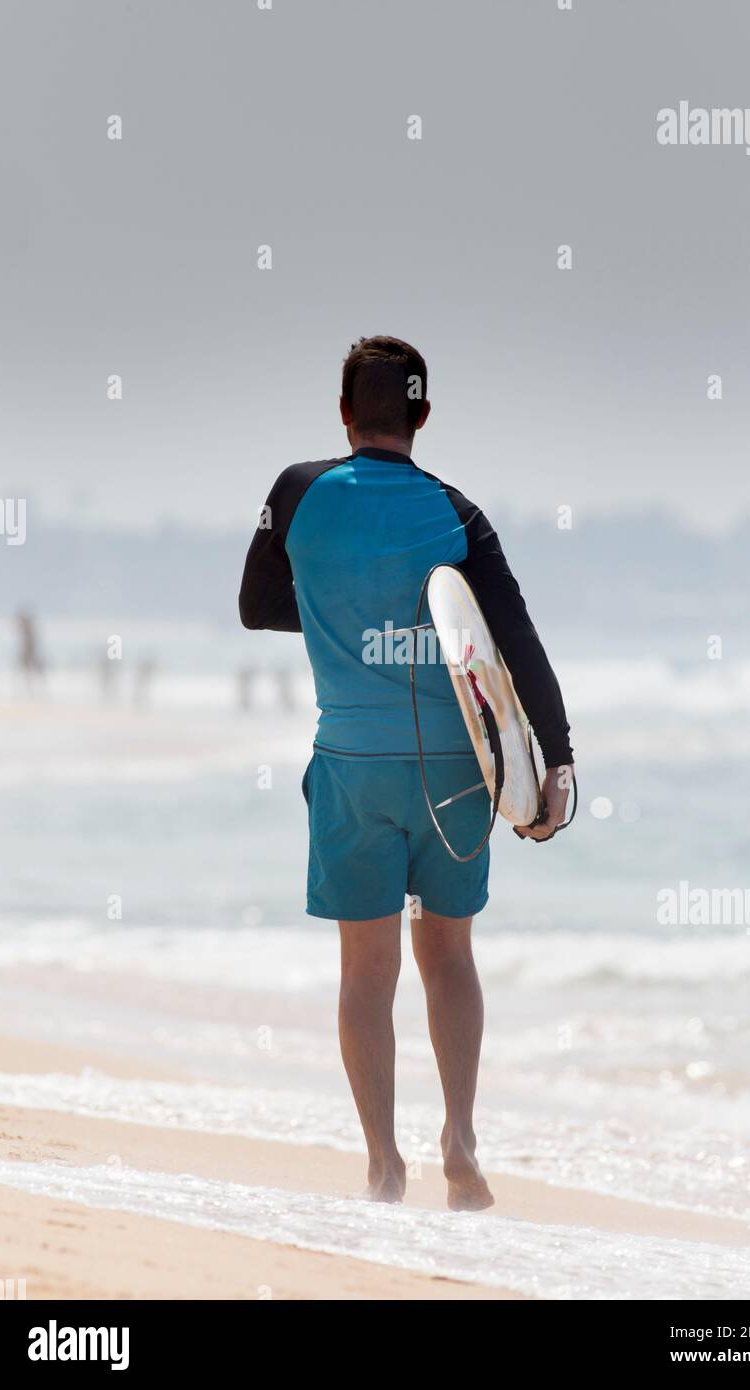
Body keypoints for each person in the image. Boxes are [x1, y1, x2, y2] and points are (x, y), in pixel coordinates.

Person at [239, 336, 574, 1209]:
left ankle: (383, 1163)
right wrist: (558, 761)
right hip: (454, 776)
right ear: (423, 416)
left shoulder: (296, 493)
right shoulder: (457, 513)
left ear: (344, 413)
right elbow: (516, 640)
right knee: (449, 955)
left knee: (365, 970)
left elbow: (255, 606)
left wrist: (342, 617)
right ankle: (459, 1145)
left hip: (351, 768)